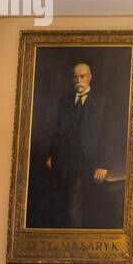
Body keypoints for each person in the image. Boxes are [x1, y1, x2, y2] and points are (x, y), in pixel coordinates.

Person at [42, 61, 120, 229]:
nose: (79, 81)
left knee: (86, 207)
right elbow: (58, 131)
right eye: (75, 77)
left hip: (91, 163)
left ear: (90, 78)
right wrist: (51, 156)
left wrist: (104, 165)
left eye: (82, 76)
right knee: (64, 205)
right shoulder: (65, 101)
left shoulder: (103, 102)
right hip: (65, 162)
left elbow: (109, 135)